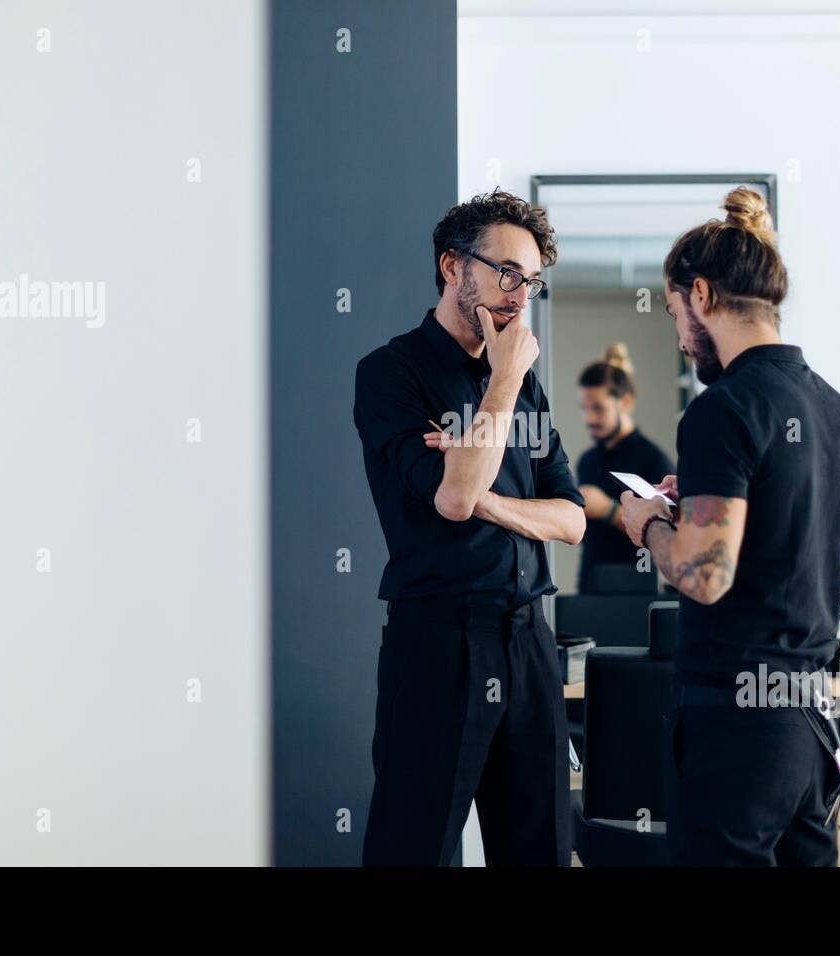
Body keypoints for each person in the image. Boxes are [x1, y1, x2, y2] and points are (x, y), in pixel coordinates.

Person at [617, 186, 840, 866]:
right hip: (811, 733)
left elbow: (705, 574)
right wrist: (694, 508)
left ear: (700, 294)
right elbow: (836, 571)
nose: (678, 336)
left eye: (674, 313)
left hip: (737, 735)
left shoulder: (722, 409)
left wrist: (645, 523)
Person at [352, 189, 585, 867]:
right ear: (453, 266)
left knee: (540, 850)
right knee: (412, 849)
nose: (520, 295)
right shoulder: (391, 374)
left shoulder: (527, 389)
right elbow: (451, 500)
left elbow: (569, 518)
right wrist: (505, 378)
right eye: (507, 272)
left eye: (532, 280)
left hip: (530, 643)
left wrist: (487, 500)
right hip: (438, 644)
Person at [574, 344, 674, 592]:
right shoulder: (586, 461)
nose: (589, 419)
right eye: (585, 409)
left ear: (625, 402)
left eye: (598, 408)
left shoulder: (654, 460)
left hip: (635, 589)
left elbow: (671, 531)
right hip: (589, 585)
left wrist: (607, 510)